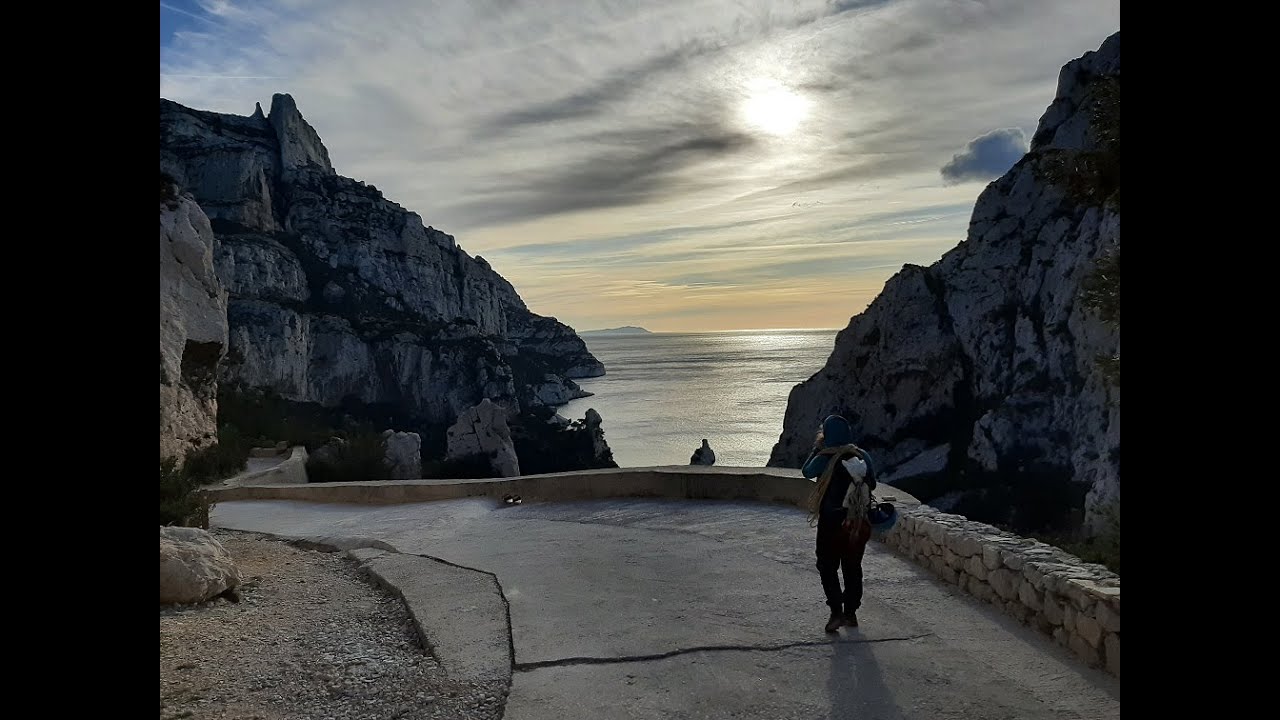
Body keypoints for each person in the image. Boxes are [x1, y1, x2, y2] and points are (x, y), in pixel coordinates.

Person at [801, 414, 877, 633]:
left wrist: (818, 448)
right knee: (853, 568)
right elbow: (871, 482)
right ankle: (851, 613)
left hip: (831, 523)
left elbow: (807, 472)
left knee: (827, 566)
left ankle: (836, 612)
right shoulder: (862, 456)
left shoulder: (824, 457)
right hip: (857, 522)